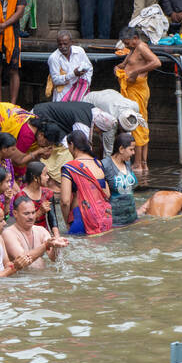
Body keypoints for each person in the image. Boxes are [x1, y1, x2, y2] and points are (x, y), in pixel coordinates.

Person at [113, 27, 156, 175]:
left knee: (136, 125)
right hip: (132, 90)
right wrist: (120, 68)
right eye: (124, 43)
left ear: (135, 38)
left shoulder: (141, 47)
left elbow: (156, 62)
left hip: (138, 89)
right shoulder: (133, 48)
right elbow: (126, 64)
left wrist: (136, 72)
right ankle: (143, 163)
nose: (126, 46)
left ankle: (138, 163)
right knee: (140, 125)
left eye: (127, 43)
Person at [59, 129, 111, 235]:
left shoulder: (69, 168)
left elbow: (65, 201)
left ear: (72, 144)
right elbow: (107, 194)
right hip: (103, 218)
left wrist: (67, 222)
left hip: (81, 219)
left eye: (68, 146)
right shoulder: (99, 164)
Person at [2, 196, 62, 266]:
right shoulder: (8, 233)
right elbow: (23, 260)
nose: (31, 217)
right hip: (22, 276)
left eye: (33, 213)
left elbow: (54, 258)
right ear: (15, 214)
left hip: (40, 275)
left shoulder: (41, 230)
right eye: (26, 213)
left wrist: (56, 245)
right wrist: (46, 245)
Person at [102, 131, 139, 226]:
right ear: (121, 149)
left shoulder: (127, 163)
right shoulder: (105, 165)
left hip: (132, 218)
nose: (133, 153)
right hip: (115, 223)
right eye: (131, 149)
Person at [48, 31, 92, 103]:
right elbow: (55, 80)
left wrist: (85, 83)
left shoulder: (79, 51)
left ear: (71, 42)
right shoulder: (53, 58)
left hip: (81, 91)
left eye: (65, 44)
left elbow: (89, 68)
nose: (63, 47)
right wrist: (73, 74)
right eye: (60, 44)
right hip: (63, 94)